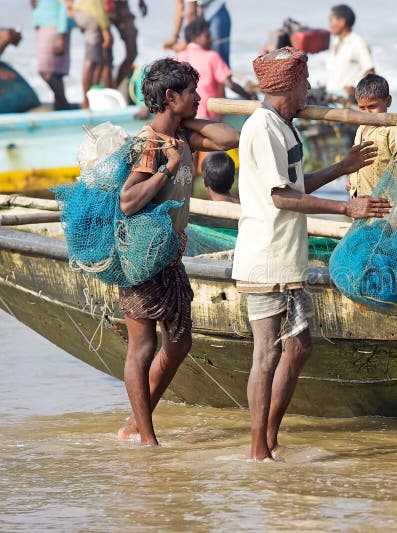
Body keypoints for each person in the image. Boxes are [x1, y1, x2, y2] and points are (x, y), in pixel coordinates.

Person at [233, 47, 390, 461]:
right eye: (304, 84)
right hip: (266, 257)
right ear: (287, 87)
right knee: (266, 354)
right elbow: (283, 198)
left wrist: (343, 167)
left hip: (288, 259)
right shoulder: (264, 128)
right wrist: (346, 207)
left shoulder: (285, 126)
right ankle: (257, 451)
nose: (308, 90)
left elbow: (297, 186)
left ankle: (269, 438)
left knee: (299, 346)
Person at [116, 57, 239, 446]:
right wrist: (167, 169)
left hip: (170, 257)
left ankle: (137, 422)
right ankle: (146, 437)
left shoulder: (180, 138)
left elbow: (227, 139)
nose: (200, 97)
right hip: (141, 257)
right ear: (170, 96)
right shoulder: (150, 145)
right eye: (191, 93)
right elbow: (127, 201)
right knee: (144, 346)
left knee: (180, 342)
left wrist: (184, 122)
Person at [174, 17, 255, 120]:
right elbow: (230, 84)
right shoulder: (212, 56)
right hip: (205, 116)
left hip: (182, 115)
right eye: (208, 36)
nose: (211, 40)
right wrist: (249, 96)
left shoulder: (177, 57)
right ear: (195, 37)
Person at [346, 73, 396, 197]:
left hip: (383, 203)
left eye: (372, 107)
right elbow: (355, 159)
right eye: (362, 108)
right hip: (358, 201)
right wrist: (351, 177)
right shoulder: (361, 128)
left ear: (388, 101)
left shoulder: (391, 131)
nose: (367, 113)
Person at [65, 0, 112, 108]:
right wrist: (105, 29)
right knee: (91, 60)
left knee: (97, 59)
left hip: (81, 13)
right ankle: (86, 101)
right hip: (91, 14)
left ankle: (91, 97)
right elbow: (98, 8)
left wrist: (70, 5)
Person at [325, 4, 374, 99]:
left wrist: (357, 90)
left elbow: (370, 73)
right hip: (331, 98)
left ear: (342, 22)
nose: (329, 25)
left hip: (347, 103)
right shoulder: (336, 42)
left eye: (331, 20)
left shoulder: (357, 42)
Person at [164, 0, 231, 67]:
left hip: (216, 11)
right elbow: (179, 6)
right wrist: (175, 37)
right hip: (201, 12)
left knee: (220, 61)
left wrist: (186, 42)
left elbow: (191, 12)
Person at [101, 0, 147, 90]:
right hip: (101, 6)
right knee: (104, 52)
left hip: (121, 5)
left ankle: (114, 87)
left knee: (132, 52)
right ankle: (107, 91)